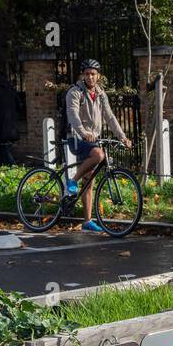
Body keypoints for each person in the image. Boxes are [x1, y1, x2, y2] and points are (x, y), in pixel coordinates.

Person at [63, 59, 131, 232]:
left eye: (93, 74)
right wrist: (83, 131)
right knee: (99, 155)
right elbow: (73, 115)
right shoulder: (75, 92)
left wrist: (122, 137)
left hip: (93, 139)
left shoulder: (101, 94)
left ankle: (87, 221)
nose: (90, 77)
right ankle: (72, 181)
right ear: (83, 75)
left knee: (90, 180)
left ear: (98, 76)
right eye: (87, 74)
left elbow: (110, 117)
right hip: (78, 138)